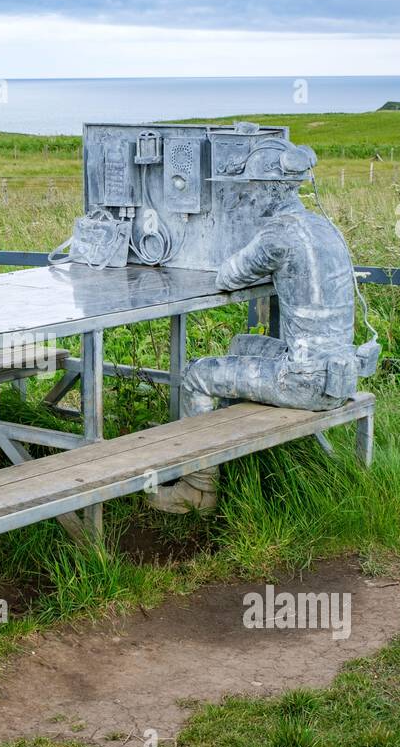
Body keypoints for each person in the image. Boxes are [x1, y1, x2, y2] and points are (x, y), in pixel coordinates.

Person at [146, 141, 377, 513]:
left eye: (250, 188)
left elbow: (228, 275)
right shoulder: (324, 227)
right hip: (341, 373)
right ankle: (222, 449)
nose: (247, 197)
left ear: (266, 190)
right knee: (242, 344)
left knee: (196, 374)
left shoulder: (277, 235)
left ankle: (198, 490)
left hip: (303, 382)